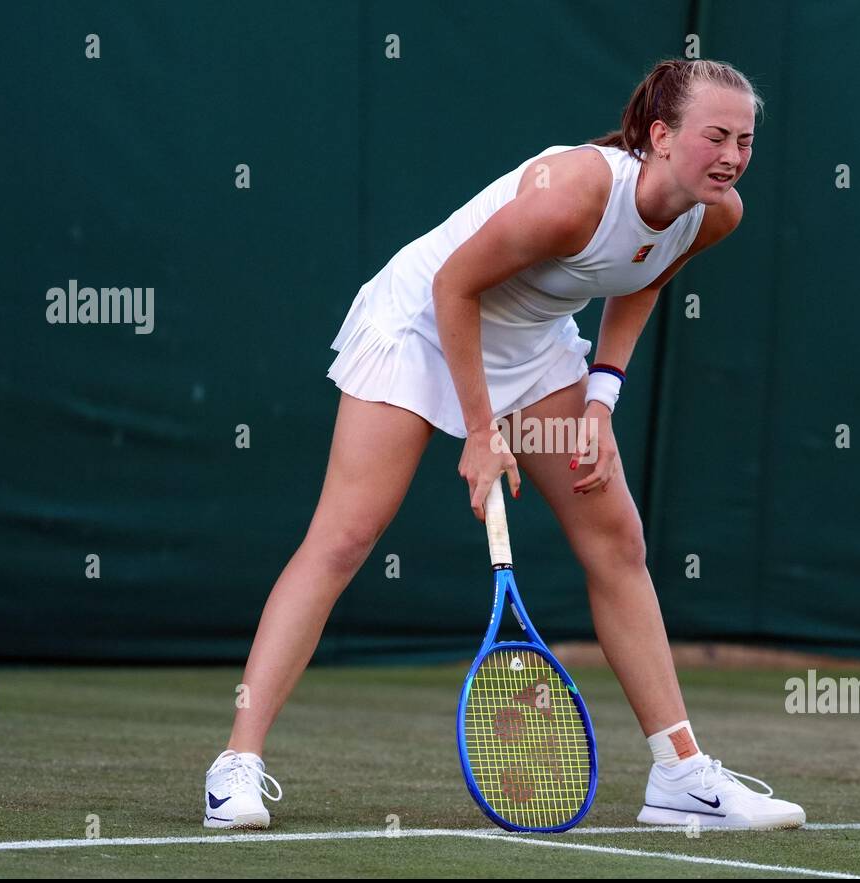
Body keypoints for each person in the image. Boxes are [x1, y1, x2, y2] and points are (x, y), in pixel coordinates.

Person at [203, 58, 805, 832]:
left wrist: (601, 397)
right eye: (715, 136)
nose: (731, 155)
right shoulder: (576, 193)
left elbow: (642, 281)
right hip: (422, 325)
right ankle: (237, 766)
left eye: (745, 140)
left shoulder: (715, 212)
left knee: (616, 538)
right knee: (345, 538)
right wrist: (482, 433)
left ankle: (682, 774)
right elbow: (455, 284)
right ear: (660, 136)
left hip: (532, 349)